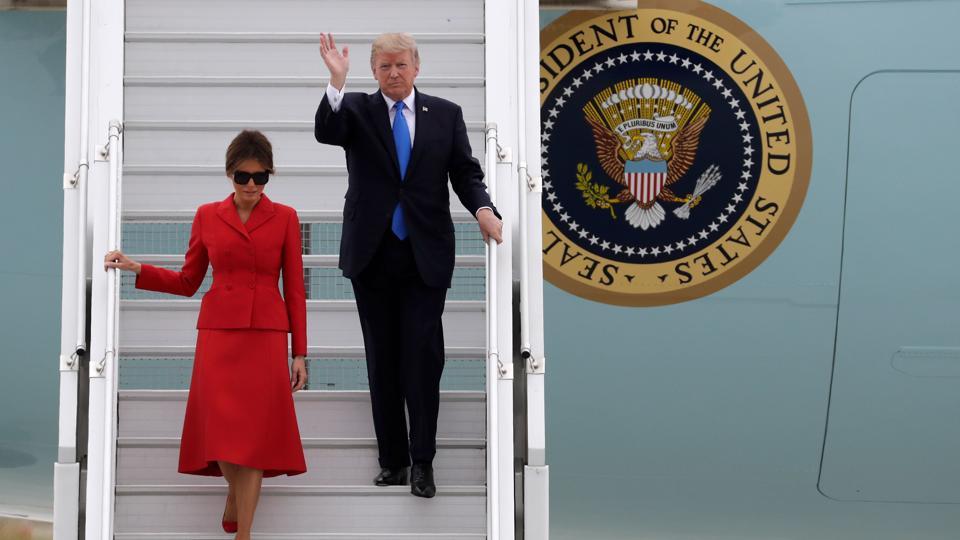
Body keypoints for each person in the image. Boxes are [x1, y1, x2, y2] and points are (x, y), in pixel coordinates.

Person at [314, 32, 503, 499]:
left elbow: (464, 172)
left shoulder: (445, 114)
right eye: (384, 67)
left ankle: (423, 462)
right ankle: (393, 461)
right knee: (383, 360)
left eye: (401, 65)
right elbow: (326, 132)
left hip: (424, 253)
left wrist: (482, 209)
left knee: (420, 359)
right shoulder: (356, 109)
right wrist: (336, 81)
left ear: (417, 67)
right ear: (373, 71)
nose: (393, 74)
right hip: (372, 252)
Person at [104, 130, 308, 539]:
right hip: (218, 335)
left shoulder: (285, 216)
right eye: (243, 176)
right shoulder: (206, 215)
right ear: (229, 173)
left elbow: (296, 288)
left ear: (271, 174)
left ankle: (244, 533)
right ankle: (234, 492)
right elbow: (187, 280)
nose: (252, 185)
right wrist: (138, 268)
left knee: (254, 439)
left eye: (261, 177)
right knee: (222, 432)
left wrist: (299, 353)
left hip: (266, 335)